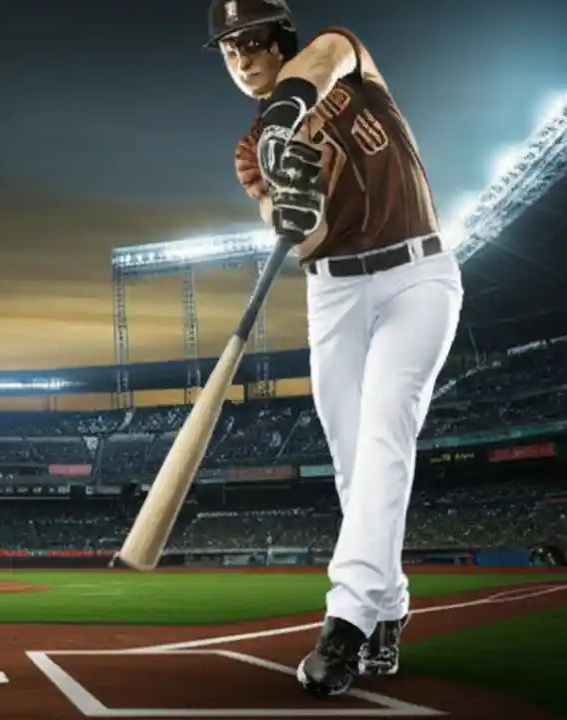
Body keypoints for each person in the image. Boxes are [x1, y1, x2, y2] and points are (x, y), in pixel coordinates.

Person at [206, 0, 463, 698]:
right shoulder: (247, 147)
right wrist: (296, 210)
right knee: (354, 464)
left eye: (252, 40)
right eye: (229, 50)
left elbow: (321, 66)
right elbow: (301, 235)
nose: (242, 58)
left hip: (417, 274)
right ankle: (389, 606)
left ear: (281, 35)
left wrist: (288, 116)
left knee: (385, 432)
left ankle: (346, 625)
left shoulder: (339, 54)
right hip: (335, 292)